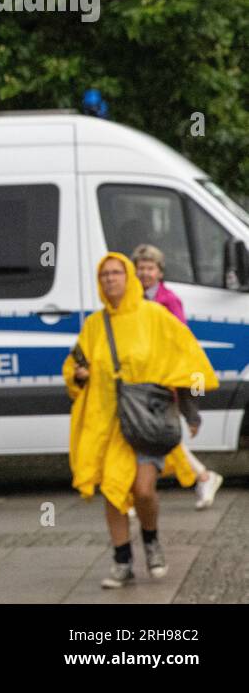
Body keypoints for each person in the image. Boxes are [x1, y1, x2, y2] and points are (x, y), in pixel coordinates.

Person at [65, 253, 217, 590]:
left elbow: (186, 359)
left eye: (116, 272)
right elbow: (74, 368)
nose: (110, 279)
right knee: (114, 492)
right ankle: (122, 561)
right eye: (104, 274)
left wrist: (190, 411)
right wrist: (79, 375)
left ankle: (150, 540)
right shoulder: (94, 326)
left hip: (147, 421)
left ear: (129, 276)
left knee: (143, 490)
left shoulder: (155, 317)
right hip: (108, 425)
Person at [131, 244, 223, 510]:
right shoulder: (132, 298)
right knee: (154, 434)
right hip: (141, 376)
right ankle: (203, 477)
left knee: (157, 433)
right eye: (141, 268)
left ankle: (200, 477)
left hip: (164, 375)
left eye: (150, 268)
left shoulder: (168, 300)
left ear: (160, 272)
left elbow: (180, 339)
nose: (145, 273)